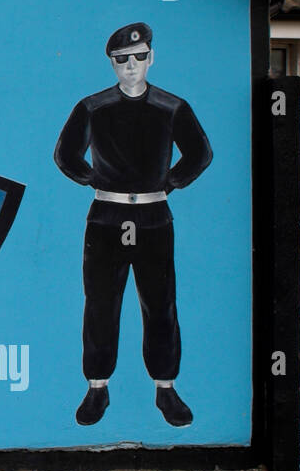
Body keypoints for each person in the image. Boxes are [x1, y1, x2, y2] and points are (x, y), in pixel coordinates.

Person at [53, 22, 211, 427]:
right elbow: (66, 154)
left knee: (160, 305)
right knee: (101, 305)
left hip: (154, 216)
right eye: (122, 60)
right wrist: (93, 179)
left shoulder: (171, 106)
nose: (130, 66)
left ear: (151, 57)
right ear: (112, 62)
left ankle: (165, 388)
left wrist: (170, 182)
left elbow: (200, 153)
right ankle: (96, 388)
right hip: (106, 215)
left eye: (139, 57)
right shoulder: (93, 106)